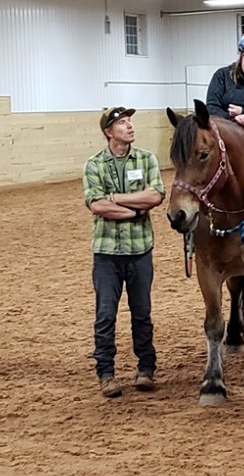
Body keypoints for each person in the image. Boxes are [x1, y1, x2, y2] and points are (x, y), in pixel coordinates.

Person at [82, 107, 166, 398]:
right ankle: (106, 372)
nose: (129, 126)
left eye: (129, 121)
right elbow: (96, 205)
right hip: (106, 253)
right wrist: (135, 210)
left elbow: (155, 195)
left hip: (139, 249)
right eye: (122, 122)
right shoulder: (94, 164)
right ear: (109, 131)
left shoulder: (146, 159)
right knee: (105, 314)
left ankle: (146, 368)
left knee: (142, 312)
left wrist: (115, 198)